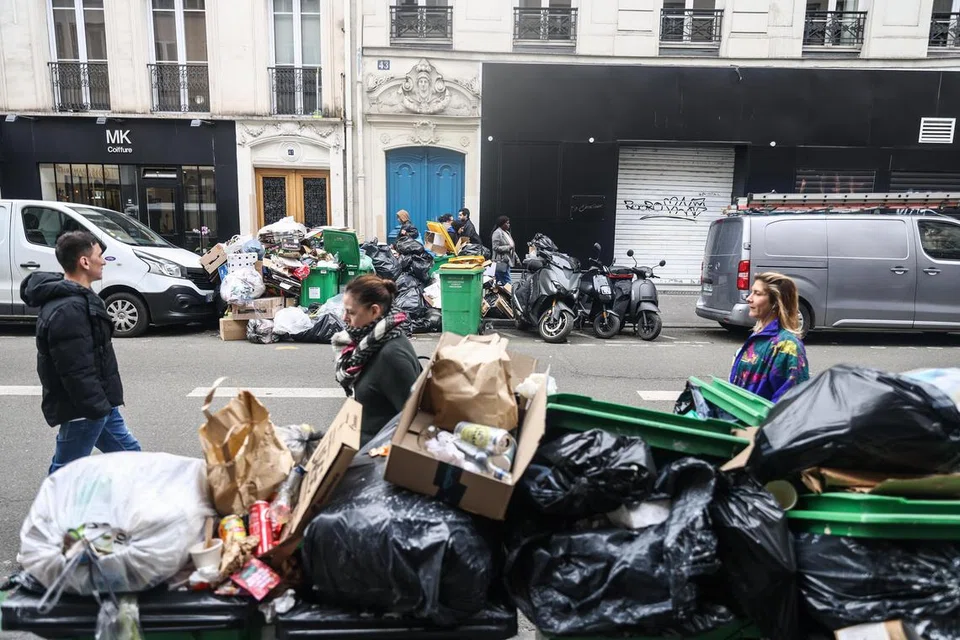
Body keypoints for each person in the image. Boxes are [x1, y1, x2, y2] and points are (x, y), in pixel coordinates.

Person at [20, 231, 141, 475]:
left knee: (132, 456)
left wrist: (103, 406)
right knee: (65, 473)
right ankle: (52, 513)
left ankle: (139, 507)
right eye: (99, 256)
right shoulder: (69, 309)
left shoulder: (78, 299)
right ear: (84, 262)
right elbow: (75, 370)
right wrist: (97, 408)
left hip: (98, 403)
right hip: (85, 408)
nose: (104, 261)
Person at [332, 275, 422, 444]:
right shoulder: (366, 346)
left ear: (374, 311)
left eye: (351, 312)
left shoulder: (391, 355)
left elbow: (413, 421)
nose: (344, 318)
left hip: (378, 459)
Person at [729, 272, 810, 402]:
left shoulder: (787, 346)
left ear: (776, 302)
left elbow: (791, 402)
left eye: (757, 293)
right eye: (751, 292)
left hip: (761, 421)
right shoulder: (759, 336)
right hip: (742, 419)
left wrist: (760, 422)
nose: (749, 298)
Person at [491, 216, 520, 286]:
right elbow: (495, 247)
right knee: (507, 281)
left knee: (500, 280)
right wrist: (508, 247)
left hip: (507, 261)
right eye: (507, 223)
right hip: (501, 261)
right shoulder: (497, 233)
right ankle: (511, 295)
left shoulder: (507, 233)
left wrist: (517, 259)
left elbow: (512, 247)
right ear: (502, 224)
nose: (508, 225)